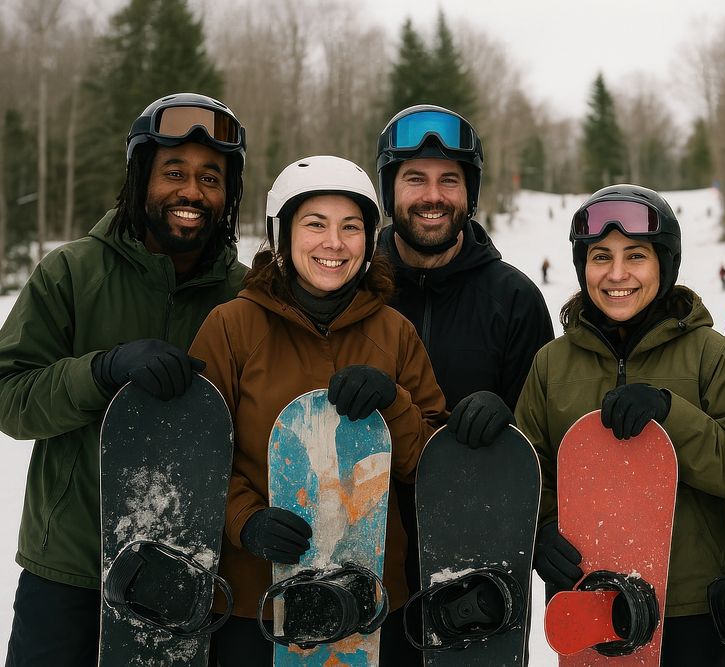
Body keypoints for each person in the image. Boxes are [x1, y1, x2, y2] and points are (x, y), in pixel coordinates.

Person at [0, 92, 248, 665]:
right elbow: (9, 399)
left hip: (190, 577)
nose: (192, 191)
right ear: (140, 177)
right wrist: (101, 371)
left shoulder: (241, 295)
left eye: (211, 178)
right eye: (175, 173)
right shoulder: (71, 272)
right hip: (69, 568)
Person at [191, 155, 447, 665]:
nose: (334, 243)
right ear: (281, 236)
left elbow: (432, 466)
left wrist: (392, 402)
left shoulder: (394, 333)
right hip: (256, 603)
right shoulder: (232, 328)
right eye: (315, 225)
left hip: (369, 603)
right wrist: (246, 519)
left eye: (351, 227)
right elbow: (198, 454)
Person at [516, 184, 725, 666]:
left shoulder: (710, 354)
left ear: (665, 265)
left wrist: (670, 412)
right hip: (590, 599)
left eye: (636, 256)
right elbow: (529, 468)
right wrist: (539, 531)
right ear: (583, 268)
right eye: (600, 257)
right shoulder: (551, 365)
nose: (616, 275)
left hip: (690, 606)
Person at [374, 103, 554, 641]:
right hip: (366, 548)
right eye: (415, 179)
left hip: (475, 565)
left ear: (469, 194)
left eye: (449, 180)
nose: (433, 196)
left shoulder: (514, 297)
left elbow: (542, 440)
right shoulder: (356, 289)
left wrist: (511, 423)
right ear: (390, 193)